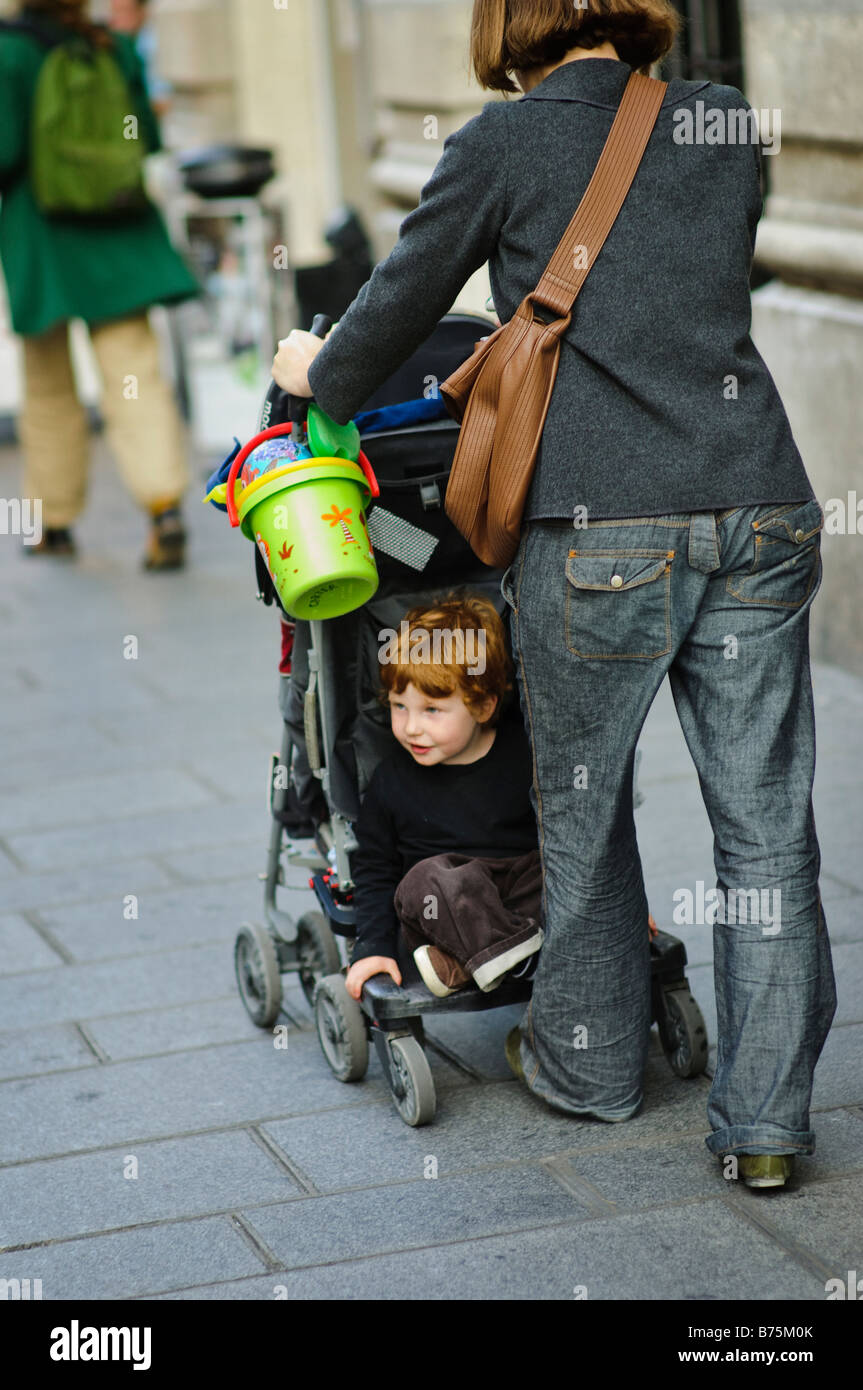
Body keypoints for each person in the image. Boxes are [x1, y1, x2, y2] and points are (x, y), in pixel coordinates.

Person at [271, 0, 836, 1190]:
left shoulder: (500, 142)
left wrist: (309, 370)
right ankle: (769, 1124)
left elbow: (395, 310)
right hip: (760, 506)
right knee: (766, 832)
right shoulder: (724, 120)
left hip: (597, 533)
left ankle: (586, 1066)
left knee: (580, 812)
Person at [0, 0, 201, 567]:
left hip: (40, 238)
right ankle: (164, 509)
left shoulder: (9, 49)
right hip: (117, 231)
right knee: (136, 376)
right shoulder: (111, 44)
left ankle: (53, 521)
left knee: (47, 385)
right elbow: (149, 134)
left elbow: (6, 148)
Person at [344, 594, 545, 1003]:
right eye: (399, 706)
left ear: (484, 706)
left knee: (558, 869)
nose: (411, 727)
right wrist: (373, 948)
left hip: (517, 895)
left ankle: (470, 965)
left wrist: (619, 907)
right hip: (443, 912)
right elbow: (374, 870)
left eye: (432, 710)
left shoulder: (525, 755)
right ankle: (523, 960)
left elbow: (569, 836)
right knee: (425, 879)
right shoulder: (391, 781)